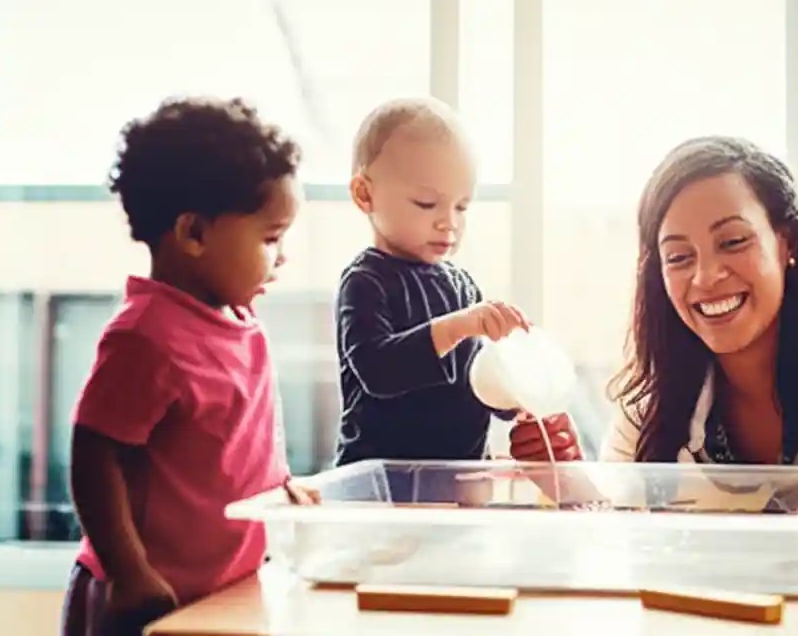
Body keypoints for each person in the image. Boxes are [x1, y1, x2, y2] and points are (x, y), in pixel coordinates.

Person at [509, 135, 798, 631]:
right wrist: (567, 483)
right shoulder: (651, 416)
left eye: (733, 241)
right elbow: (620, 554)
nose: (706, 276)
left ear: (787, 244)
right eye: (678, 257)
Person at [64, 97, 321, 636]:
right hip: (144, 599)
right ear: (194, 235)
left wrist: (281, 486)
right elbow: (94, 455)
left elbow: (220, 444)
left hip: (220, 593)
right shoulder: (146, 335)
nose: (282, 256)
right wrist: (130, 573)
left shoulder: (240, 319)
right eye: (270, 238)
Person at [334, 97, 529, 476]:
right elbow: (379, 371)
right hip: (383, 484)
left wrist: (514, 394)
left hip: (460, 479)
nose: (448, 222)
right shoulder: (365, 280)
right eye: (427, 204)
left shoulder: (461, 286)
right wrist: (460, 326)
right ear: (365, 194)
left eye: (462, 207)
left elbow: (478, 380)